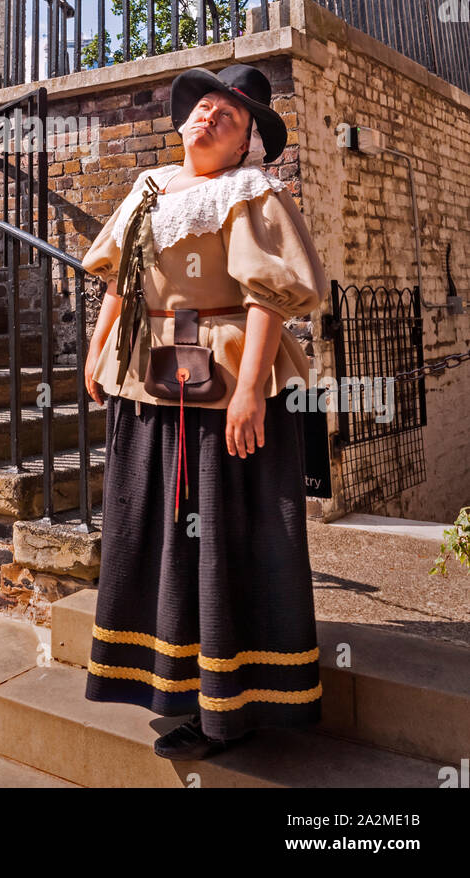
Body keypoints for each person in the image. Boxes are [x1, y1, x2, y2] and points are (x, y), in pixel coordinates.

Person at [80, 63, 329, 762]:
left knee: (219, 536)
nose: (212, 115)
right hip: (147, 377)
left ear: (250, 137)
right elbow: (121, 282)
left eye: (232, 112)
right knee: (154, 532)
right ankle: (171, 684)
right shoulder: (148, 187)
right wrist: (99, 355)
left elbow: (269, 296)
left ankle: (231, 707)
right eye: (205, 105)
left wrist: (250, 390)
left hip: (223, 387)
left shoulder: (251, 190)